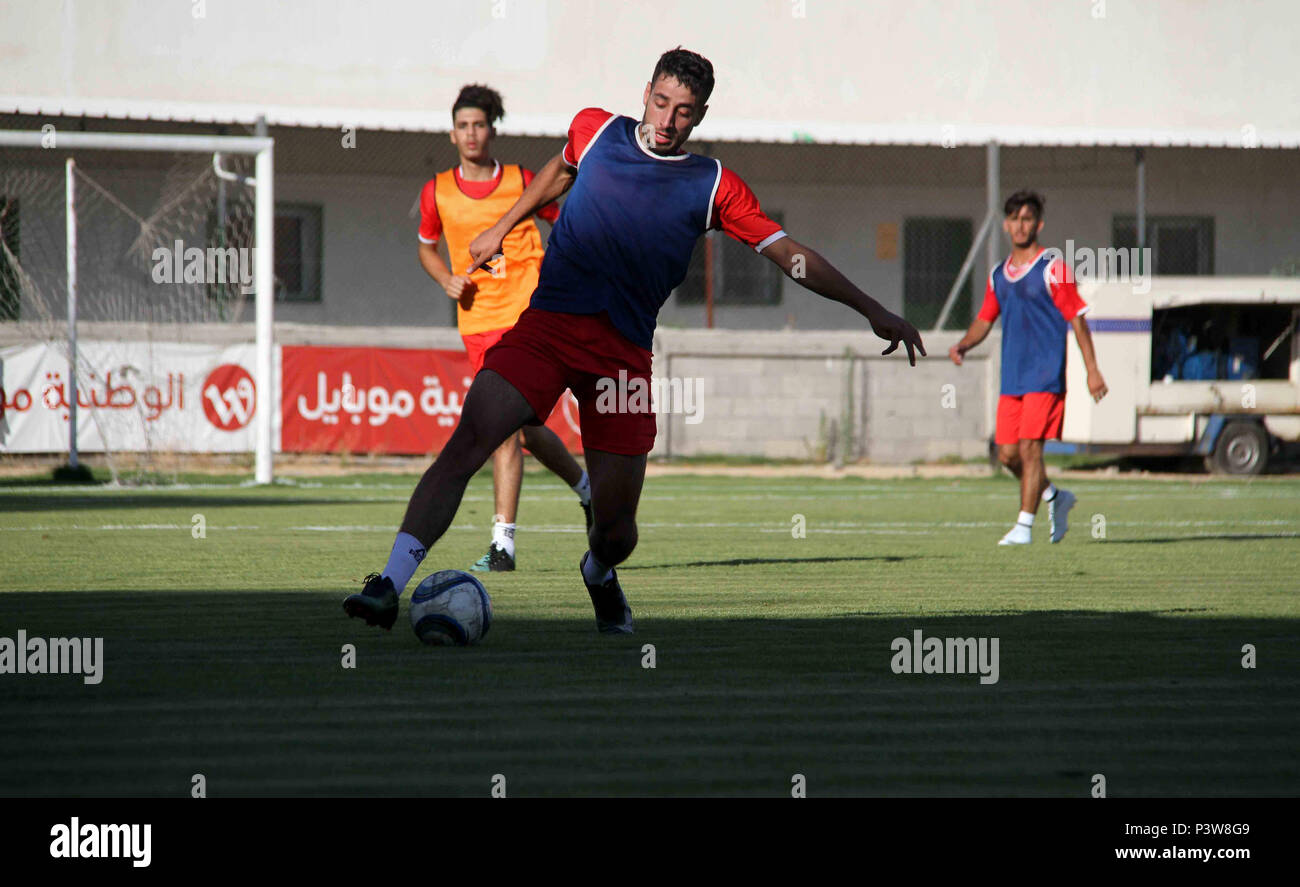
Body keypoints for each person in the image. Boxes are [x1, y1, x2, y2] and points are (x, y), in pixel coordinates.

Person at [345, 48, 925, 634]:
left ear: (701, 116)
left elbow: (789, 254)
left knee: (617, 531)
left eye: (684, 111)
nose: (667, 120)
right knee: (468, 443)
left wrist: (871, 308)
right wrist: (503, 225)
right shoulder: (595, 130)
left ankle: (598, 571)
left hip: (621, 359)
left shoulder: (713, 185)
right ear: (646, 93)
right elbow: (560, 169)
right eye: (661, 102)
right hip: (547, 329)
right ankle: (387, 584)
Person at [416, 83, 591, 572]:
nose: (471, 133)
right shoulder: (437, 190)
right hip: (477, 322)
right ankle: (588, 491)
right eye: (463, 126)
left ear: (492, 130)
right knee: (527, 430)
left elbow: (565, 222)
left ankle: (503, 546)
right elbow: (426, 247)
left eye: (479, 124)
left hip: (525, 318)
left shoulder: (521, 181)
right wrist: (445, 278)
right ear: (452, 134)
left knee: (502, 427)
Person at [948, 190, 1108, 546]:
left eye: (1027, 219)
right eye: (1014, 219)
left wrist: (1092, 370)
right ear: (1006, 225)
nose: (1020, 225)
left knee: (1030, 448)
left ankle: (1023, 526)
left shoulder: (1054, 269)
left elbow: (1077, 320)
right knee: (1008, 455)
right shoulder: (998, 275)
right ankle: (1054, 496)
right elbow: (984, 320)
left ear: (1039, 224)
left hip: (1045, 375)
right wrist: (963, 344)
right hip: (1013, 378)